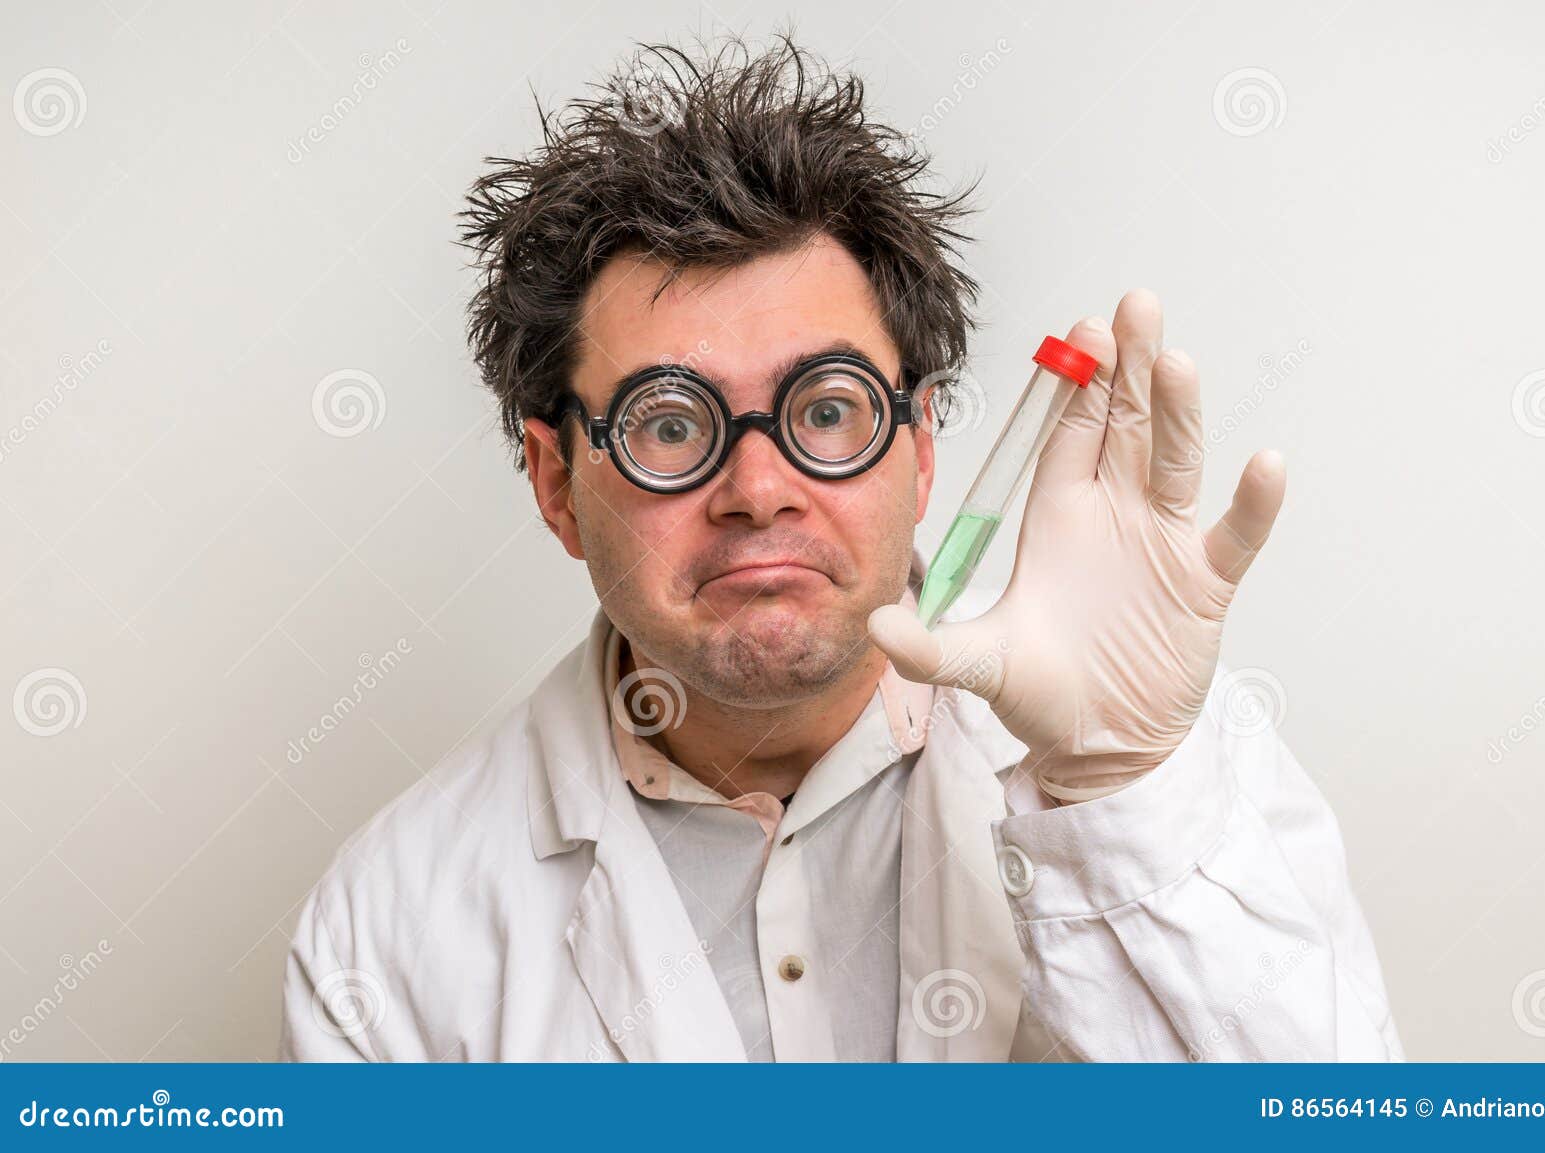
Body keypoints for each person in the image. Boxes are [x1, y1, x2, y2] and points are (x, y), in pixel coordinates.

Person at [279, 34, 1401, 1062]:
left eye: (825, 409)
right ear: (556, 483)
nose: (757, 490)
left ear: (921, 448)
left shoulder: (1176, 768)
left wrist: (1123, 802)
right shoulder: (387, 933)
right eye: (669, 424)